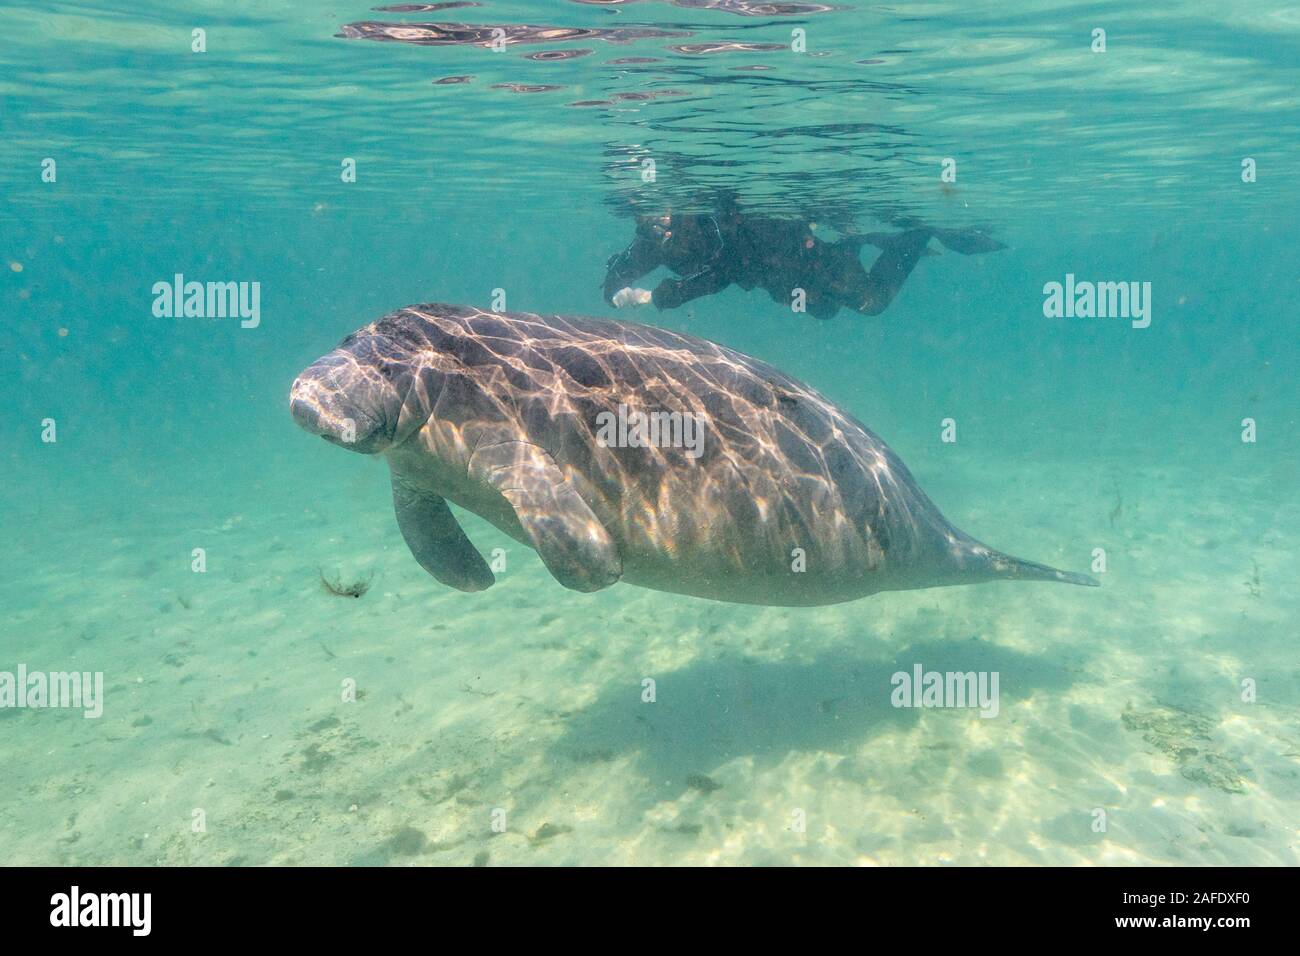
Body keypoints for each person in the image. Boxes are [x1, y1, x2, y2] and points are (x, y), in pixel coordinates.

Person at [603, 200, 1004, 320]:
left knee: (871, 303)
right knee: (826, 312)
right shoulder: (652, 239)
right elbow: (617, 278)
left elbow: (716, 275)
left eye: (666, 219)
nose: (662, 228)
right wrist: (618, 288)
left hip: (808, 261)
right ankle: (858, 239)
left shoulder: (712, 222)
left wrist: (654, 297)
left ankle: (919, 233)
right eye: (650, 223)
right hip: (781, 281)